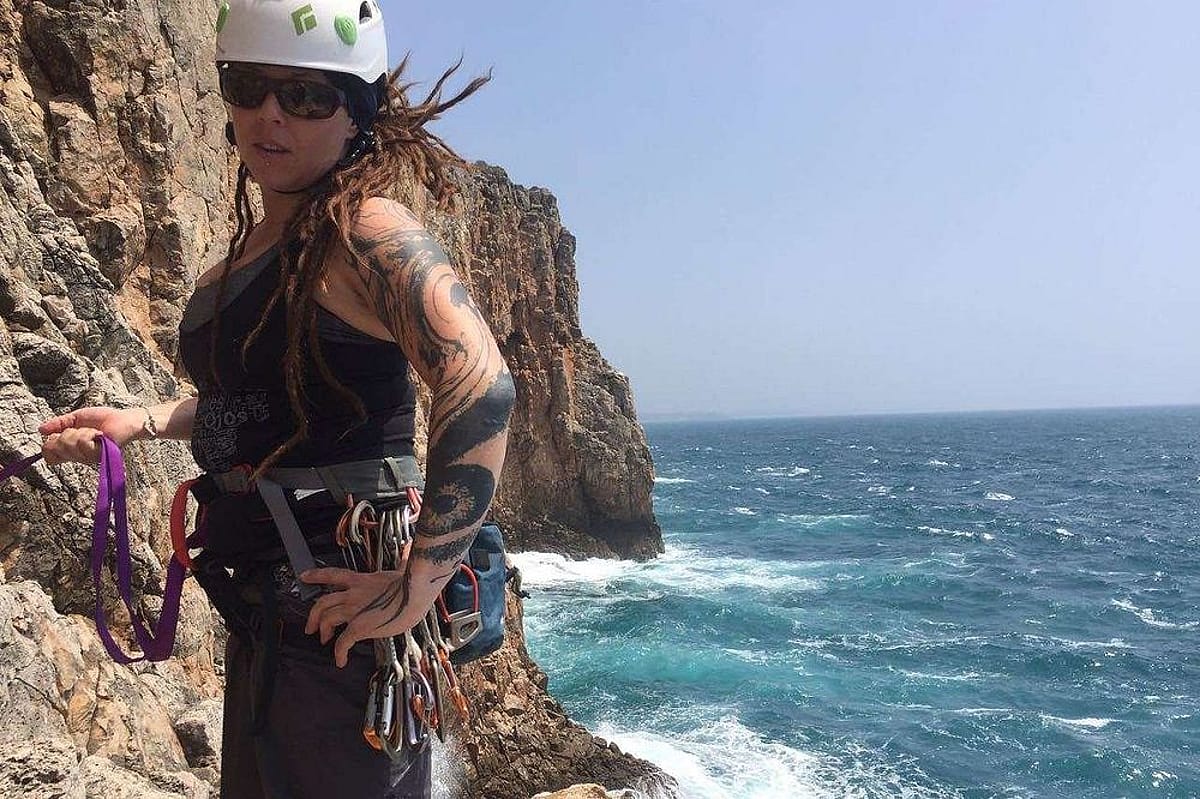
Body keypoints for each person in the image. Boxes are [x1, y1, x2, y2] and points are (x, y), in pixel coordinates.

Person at [37, 0, 515, 796]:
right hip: (266, 611)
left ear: (355, 112)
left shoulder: (363, 233)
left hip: (340, 623)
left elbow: (481, 384)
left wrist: (417, 584)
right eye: (250, 85)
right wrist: (141, 422)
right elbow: (252, 406)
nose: (270, 114)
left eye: (306, 95)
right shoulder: (252, 256)